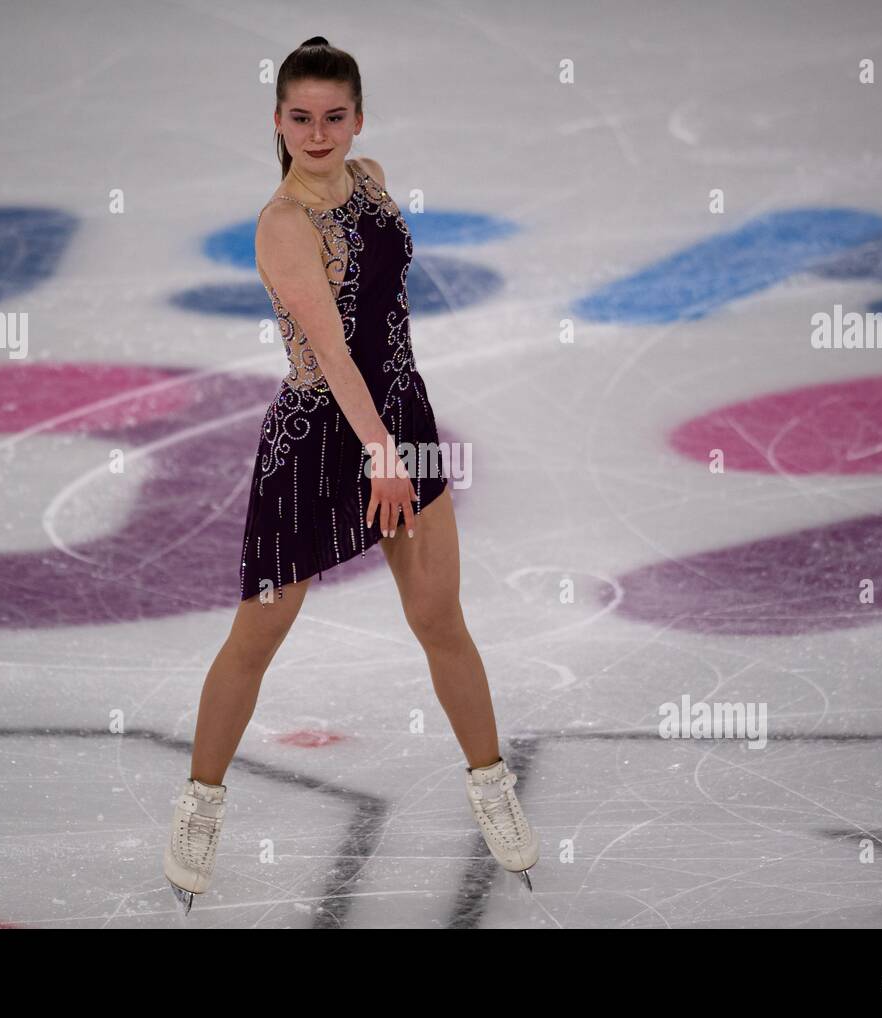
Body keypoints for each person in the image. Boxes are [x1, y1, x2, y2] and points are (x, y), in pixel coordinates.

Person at [164, 36, 539, 914]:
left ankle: (490, 784)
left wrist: (399, 442)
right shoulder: (281, 222)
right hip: (319, 445)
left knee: (440, 615)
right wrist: (378, 454)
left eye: (335, 115)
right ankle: (200, 805)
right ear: (278, 121)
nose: (319, 132)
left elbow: (388, 314)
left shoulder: (370, 178)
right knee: (260, 633)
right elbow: (330, 351)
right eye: (302, 117)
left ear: (358, 118)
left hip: (404, 418)